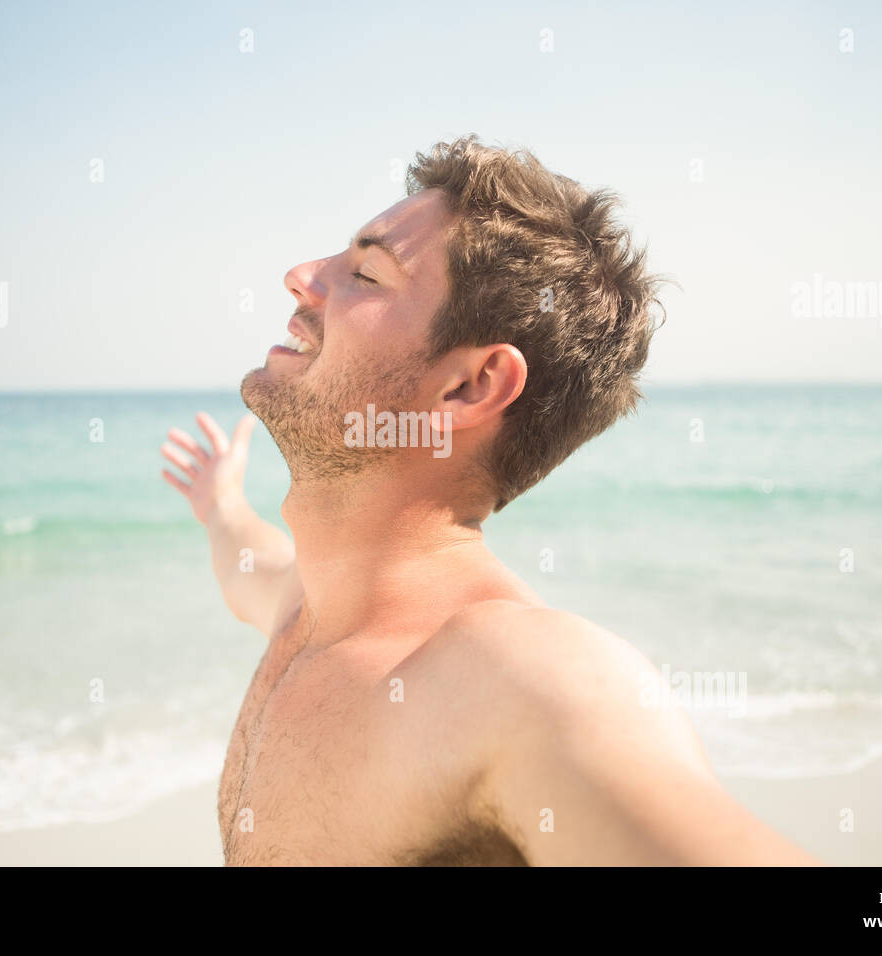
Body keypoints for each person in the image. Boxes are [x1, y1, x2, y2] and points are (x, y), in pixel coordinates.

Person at [162, 136, 818, 865]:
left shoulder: (516, 679)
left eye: (366, 275)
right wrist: (219, 503)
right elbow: (244, 559)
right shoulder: (307, 603)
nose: (299, 277)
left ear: (471, 386)